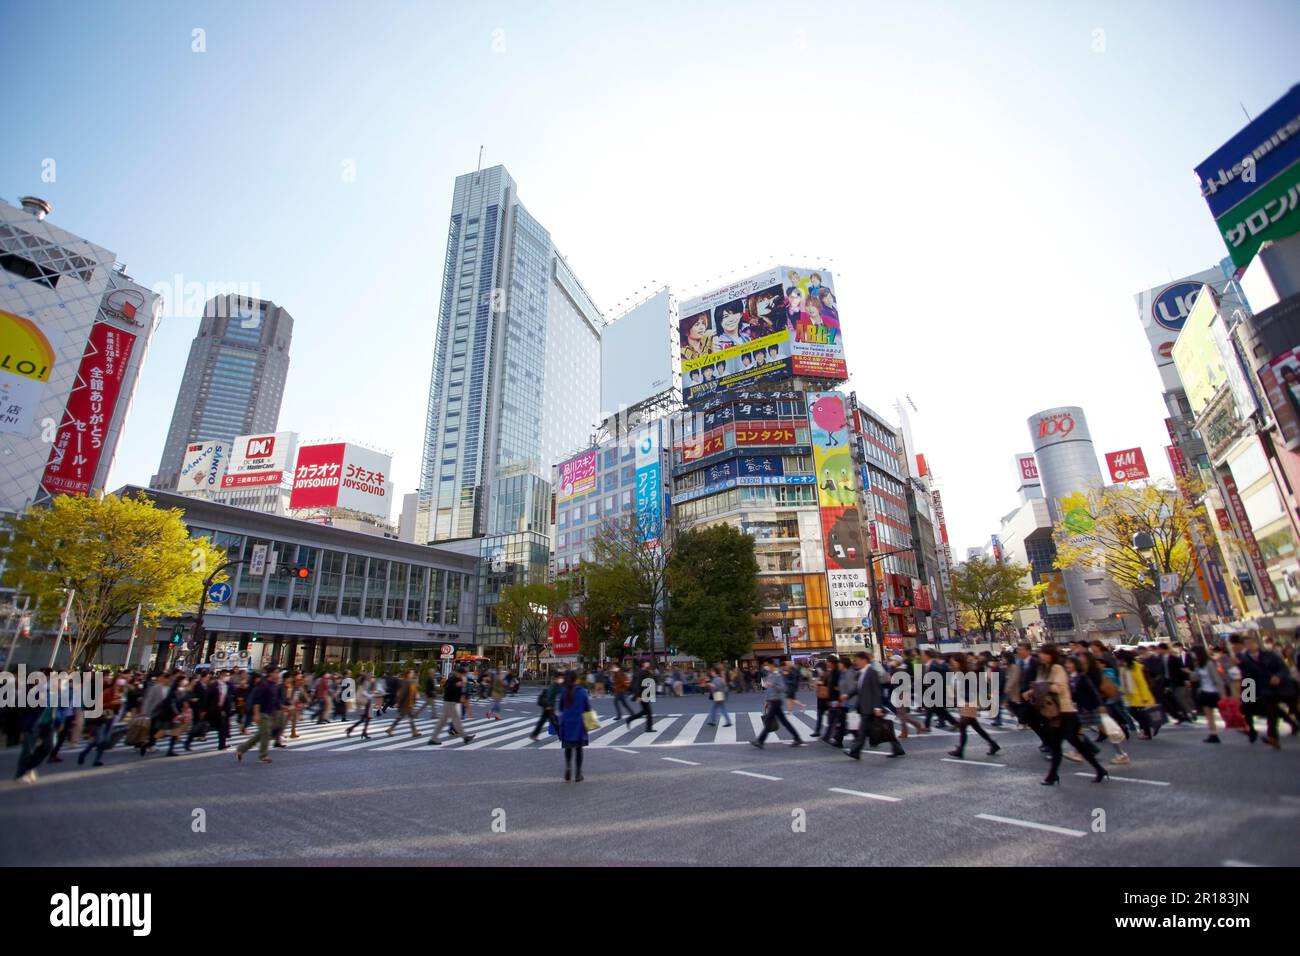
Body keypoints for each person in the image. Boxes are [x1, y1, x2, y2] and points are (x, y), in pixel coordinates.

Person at [1024, 645, 1108, 785]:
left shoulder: (1057, 668)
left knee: (1056, 745)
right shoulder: (1042, 670)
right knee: (1075, 743)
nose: (1042, 656)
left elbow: (1060, 688)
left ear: (1052, 655)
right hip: (1052, 711)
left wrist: (1040, 687)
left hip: (1064, 711)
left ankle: (1052, 776)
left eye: (1045, 653)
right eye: (1041, 654)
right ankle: (1099, 769)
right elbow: (1039, 686)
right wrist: (1032, 691)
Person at [845, 652, 905, 759]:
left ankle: (855, 752)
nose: (856, 662)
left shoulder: (871, 672)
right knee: (879, 730)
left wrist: (877, 707)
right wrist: (847, 695)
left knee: (874, 730)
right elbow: (858, 688)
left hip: (871, 707)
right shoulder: (861, 672)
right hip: (866, 707)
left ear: (864, 660)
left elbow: (876, 690)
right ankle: (897, 748)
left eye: (857, 659)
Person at [946, 654, 999, 760]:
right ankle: (993, 744)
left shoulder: (967, 672)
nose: (951, 663)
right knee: (976, 727)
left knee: (963, 726)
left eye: (953, 661)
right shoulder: (957, 672)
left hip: (969, 701)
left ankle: (960, 750)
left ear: (959, 661)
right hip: (963, 701)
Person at [752, 660, 802, 748]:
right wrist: (766, 701)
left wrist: (774, 685)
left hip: (776, 701)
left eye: (767, 666)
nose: (766, 667)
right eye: (765, 666)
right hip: (772, 701)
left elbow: (783, 688)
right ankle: (797, 738)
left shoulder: (778, 675)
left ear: (772, 665)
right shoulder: (770, 675)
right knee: (784, 722)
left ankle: (760, 741)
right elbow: (768, 690)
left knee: (769, 721)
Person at [236, 668, 282, 764]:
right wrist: (256, 714)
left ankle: (241, 749)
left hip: (270, 713)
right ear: (270, 673)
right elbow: (257, 701)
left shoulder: (274, 685)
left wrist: (281, 709)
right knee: (266, 733)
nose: (278, 675)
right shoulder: (264, 685)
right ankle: (263, 756)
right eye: (276, 672)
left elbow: (275, 700)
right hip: (262, 713)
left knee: (260, 735)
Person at [556, 670, 595, 781]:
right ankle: (578, 773)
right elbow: (587, 708)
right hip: (579, 724)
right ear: (576, 679)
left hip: (567, 724)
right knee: (579, 749)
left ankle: (568, 767)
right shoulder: (582, 692)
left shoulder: (564, 691)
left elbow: (560, 708)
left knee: (568, 748)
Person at [427, 667, 476, 745]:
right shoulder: (452, 679)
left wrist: (463, 696)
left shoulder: (460, 679)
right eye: (462, 674)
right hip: (449, 702)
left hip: (452, 702)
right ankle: (465, 737)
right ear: (459, 673)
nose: (463, 676)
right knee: (456, 720)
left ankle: (433, 739)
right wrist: (456, 685)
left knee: (442, 722)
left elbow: (462, 691)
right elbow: (446, 688)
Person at [1117, 650, 1159, 739]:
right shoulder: (1124, 668)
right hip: (1132, 696)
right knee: (1139, 714)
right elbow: (1123, 682)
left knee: (1140, 714)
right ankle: (1148, 729)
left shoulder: (1136, 667)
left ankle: (1147, 732)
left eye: (1118, 659)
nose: (1117, 661)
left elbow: (1141, 683)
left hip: (1140, 695)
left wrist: (1144, 697)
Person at [1191, 646, 1228, 744]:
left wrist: (1223, 694)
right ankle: (1213, 734)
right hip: (1204, 692)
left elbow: (1217, 679)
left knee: (1225, 714)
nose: (1192, 656)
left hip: (1215, 692)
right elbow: (1195, 678)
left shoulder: (1210, 663)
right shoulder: (1198, 664)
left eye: (1194, 653)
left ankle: (1243, 728)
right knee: (1209, 716)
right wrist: (1191, 673)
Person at [386, 670, 423, 738]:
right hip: (405, 703)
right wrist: (398, 702)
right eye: (411, 673)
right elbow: (402, 693)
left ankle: (391, 729)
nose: (413, 674)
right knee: (404, 717)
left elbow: (412, 691)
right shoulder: (406, 681)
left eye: (413, 673)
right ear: (407, 674)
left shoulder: (410, 681)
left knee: (404, 717)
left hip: (409, 703)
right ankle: (391, 729)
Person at [530, 673, 564, 740]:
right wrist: (549, 706)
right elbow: (550, 696)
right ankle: (562, 736)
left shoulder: (556, 685)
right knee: (555, 722)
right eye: (561, 678)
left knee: (544, 721)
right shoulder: (554, 685)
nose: (562, 679)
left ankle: (534, 734)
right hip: (548, 706)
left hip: (547, 706)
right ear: (557, 678)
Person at [345, 673, 379, 739]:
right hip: (365, 703)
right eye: (372, 676)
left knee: (364, 719)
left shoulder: (363, 683)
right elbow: (364, 692)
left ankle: (356, 730)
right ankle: (361, 731)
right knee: (366, 718)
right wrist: (372, 695)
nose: (373, 678)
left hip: (363, 703)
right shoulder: (366, 683)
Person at [625, 660, 655, 733]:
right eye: (647, 662)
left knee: (645, 711)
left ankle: (629, 719)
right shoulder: (640, 672)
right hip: (642, 694)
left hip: (645, 693)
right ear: (643, 664)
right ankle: (648, 728)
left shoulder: (646, 671)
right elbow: (637, 684)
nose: (648, 663)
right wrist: (638, 695)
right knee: (648, 712)